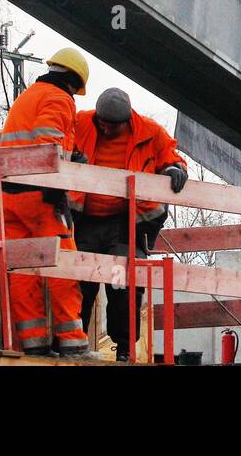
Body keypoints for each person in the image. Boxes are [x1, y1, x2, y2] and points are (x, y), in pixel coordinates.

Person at [68, 87, 187, 360]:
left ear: (126, 120)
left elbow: (172, 156)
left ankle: (124, 349)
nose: (106, 130)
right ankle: (73, 346)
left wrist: (173, 169)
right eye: (102, 124)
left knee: (123, 282)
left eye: (113, 126)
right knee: (79, 282)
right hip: (85, 221)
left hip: (125, 225)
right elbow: (59, 144)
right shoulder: (82, 123)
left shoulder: (149, 132)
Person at [0, 47, 91, 356]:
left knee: (23, 272)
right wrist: (58, 192)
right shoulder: (58, 98)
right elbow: (47, 146)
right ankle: (74, 344)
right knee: (63, 265)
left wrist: (72, 155)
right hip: (40, 194)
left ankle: (35, 344)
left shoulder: (28, 96)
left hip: (9, 195)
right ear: (74, 81)